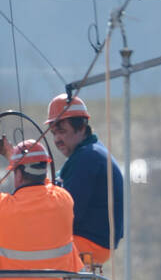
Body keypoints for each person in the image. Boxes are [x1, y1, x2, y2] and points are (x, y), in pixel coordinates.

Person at [0, 120, 81, 280]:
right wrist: (15, 157)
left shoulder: (2, 208)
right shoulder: (64, 200)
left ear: (17, 174)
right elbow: (45, 185)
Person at [45, 95, 123, 265]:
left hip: (87, 243)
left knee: (25, 246)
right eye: (54, 133)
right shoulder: (91, 153)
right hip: (96, 244)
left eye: (62, 131)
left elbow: (68, 213)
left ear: (81, 128)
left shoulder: (87, 159)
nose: (57, 139)